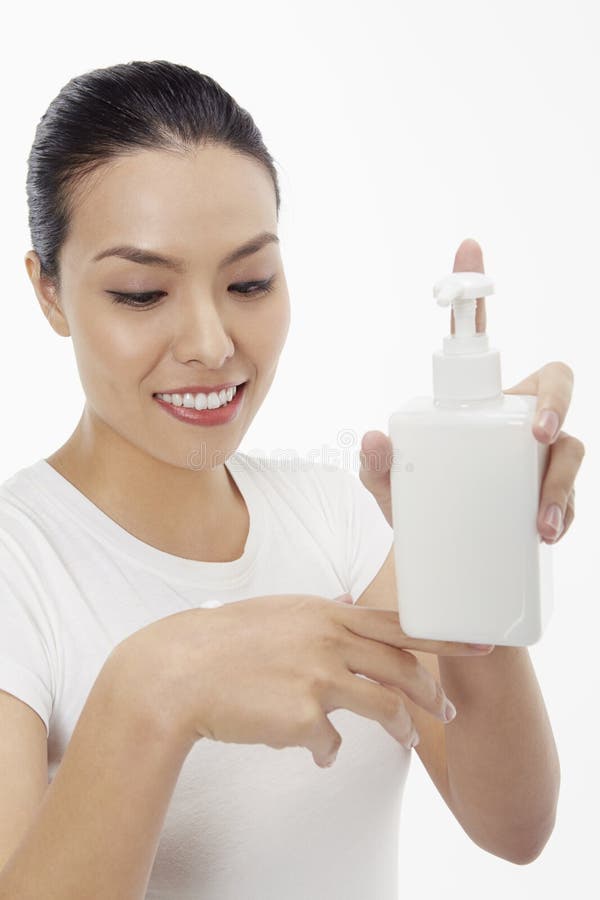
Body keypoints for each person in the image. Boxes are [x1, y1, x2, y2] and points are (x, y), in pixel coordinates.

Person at [0, 59, 584, 900]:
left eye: (249, 283)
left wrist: (478, 539)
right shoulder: (21, 570)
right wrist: (155, 689)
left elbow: (516, 828)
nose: (209, 340)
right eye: (140, 292)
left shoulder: (337, 519)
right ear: (48, 292)